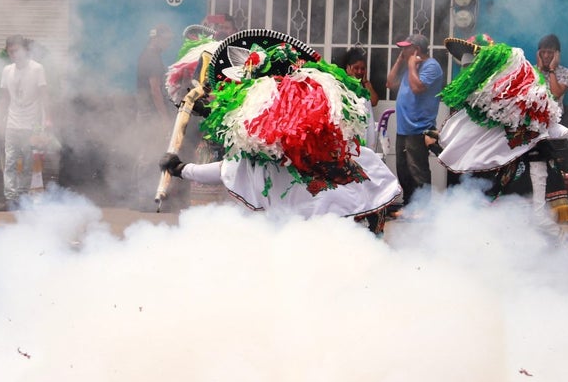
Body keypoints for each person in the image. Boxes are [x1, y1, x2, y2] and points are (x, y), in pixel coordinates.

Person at [158, 29, 399, 231]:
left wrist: (181, 169)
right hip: (351, 221)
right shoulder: (329, 136)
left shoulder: (268, 147)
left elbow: (226, 169)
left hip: (327, 231)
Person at [436, 34, 568, 225]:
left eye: (474, 63)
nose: (469, 71)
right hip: (510, 161)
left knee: (542, 221)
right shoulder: (489, 97)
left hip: (533, 159)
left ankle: (566, 254)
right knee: (509, 219)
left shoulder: (516, 81)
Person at [385, 33, 444, 208]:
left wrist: (411, 66)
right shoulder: (409, 65)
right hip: (404, 128)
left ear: (416, 49)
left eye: (406, 47)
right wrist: (400, 61)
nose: (403, 50)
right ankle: (409, 205)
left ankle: (423, 208)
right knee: (403, 170)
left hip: (419, 128)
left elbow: (418, 88)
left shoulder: (431, 66)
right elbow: (389, 83)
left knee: (417, 170)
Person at [0, 35, 48, 212]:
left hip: (31, 123)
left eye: (16, 50)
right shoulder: (7, 70)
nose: (13, 54)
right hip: (12, 122)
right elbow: (4, 98)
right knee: (9, 161)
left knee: (26, 162)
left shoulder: (37, 69)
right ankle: (10, 198)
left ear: (25, 50)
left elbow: (43, 96)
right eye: (10, 51)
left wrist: (43, 123)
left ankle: (23, 197)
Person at [136, 23, 174, 207]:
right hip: (150, 113)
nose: (168, 44)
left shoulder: (147, 55)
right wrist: (164, 117)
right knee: (149, 153)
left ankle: (144, 197)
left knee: (147, 153)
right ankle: (144, 198)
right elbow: (155, 90)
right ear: (156, 38)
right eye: (166, 40)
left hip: (145, 112)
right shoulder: (152, 59)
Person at [537, 33, 568, 103]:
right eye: (543, 52)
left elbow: (555, 95)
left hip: (555, 113)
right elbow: (529, 94)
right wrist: (539, 69)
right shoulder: (530, 71)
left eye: (549, 52)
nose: (546, 56)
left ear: (557, 54)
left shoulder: (566, 72)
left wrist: (551, 69)